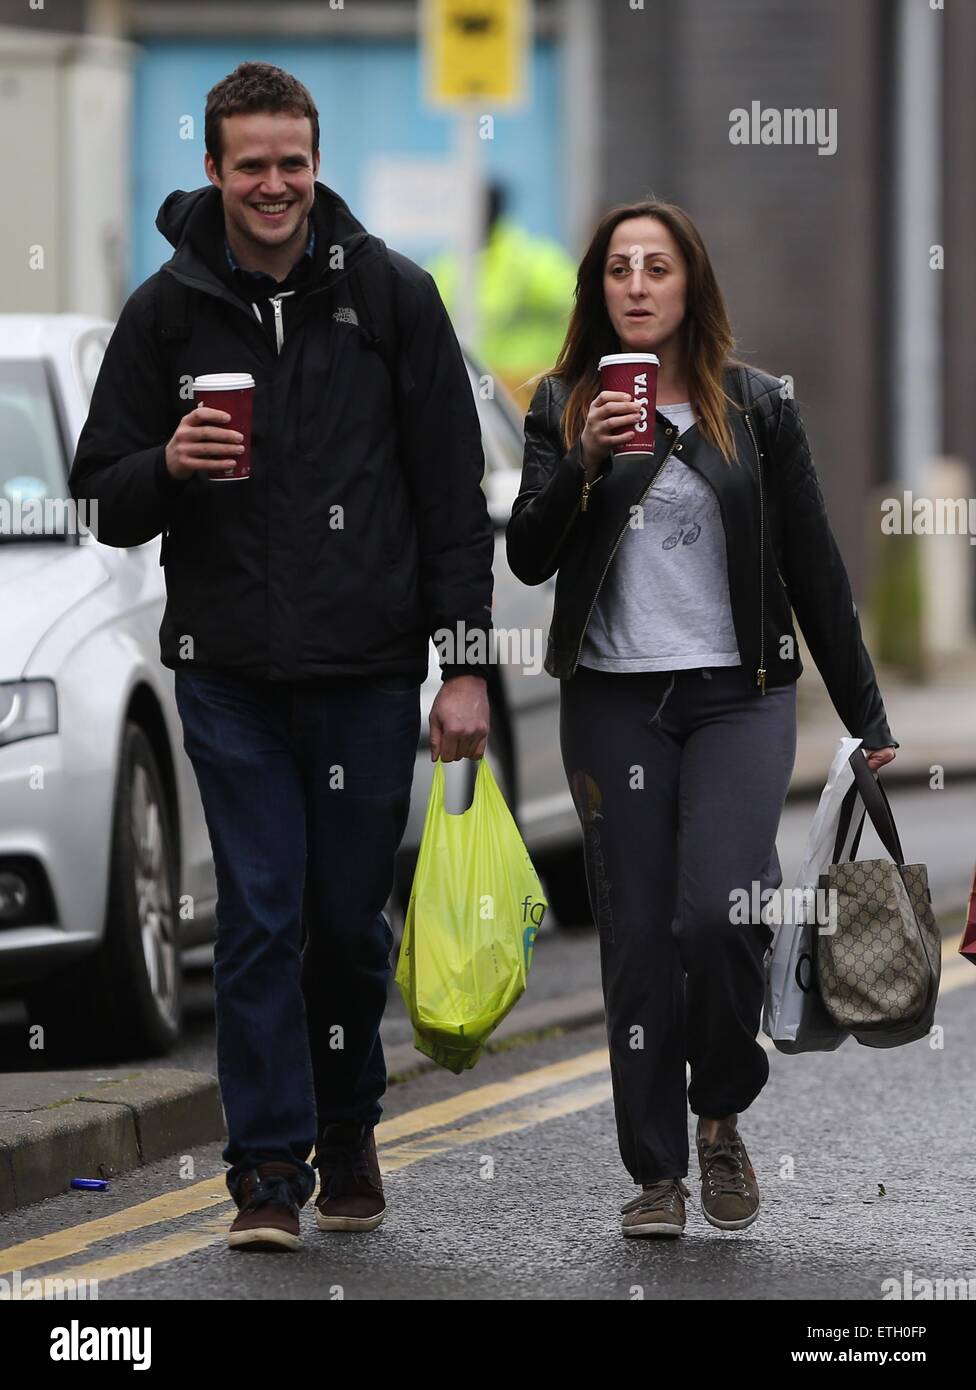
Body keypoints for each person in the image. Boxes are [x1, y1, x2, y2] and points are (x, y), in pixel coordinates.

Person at [68, 62, 493, 1252]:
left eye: (291, 162)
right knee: (259, 913)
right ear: (212, 168)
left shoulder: (394, 300)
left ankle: (347, 1121)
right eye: (249, 163)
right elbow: (102, 499)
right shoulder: (164, 314)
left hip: (365, 671)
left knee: (348, 922)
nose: (272, 184)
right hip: (227, 670)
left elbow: (451, 498)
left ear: (316, 163)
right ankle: (264, 1169)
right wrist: (170, 465)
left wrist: (463, 666)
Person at [505, 199, 898, 1238]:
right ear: (598, 290)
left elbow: (811, 564)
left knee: (718, 913)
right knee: (636, 938)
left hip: (737, 696)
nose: (635, 284)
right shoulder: (558, 404)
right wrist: (584, 459)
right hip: (611, 703)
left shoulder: (757, 407)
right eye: (619, 269)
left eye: (657, 268)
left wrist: (864, 712)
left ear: (690, 288)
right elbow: (528, 557)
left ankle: (719, 1108)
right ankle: (656, 1173)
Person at [426, 181, 578, 407]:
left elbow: (578, 304)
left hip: (531, 393)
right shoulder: (449, 267)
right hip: (475, 394)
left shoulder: (532, 261)